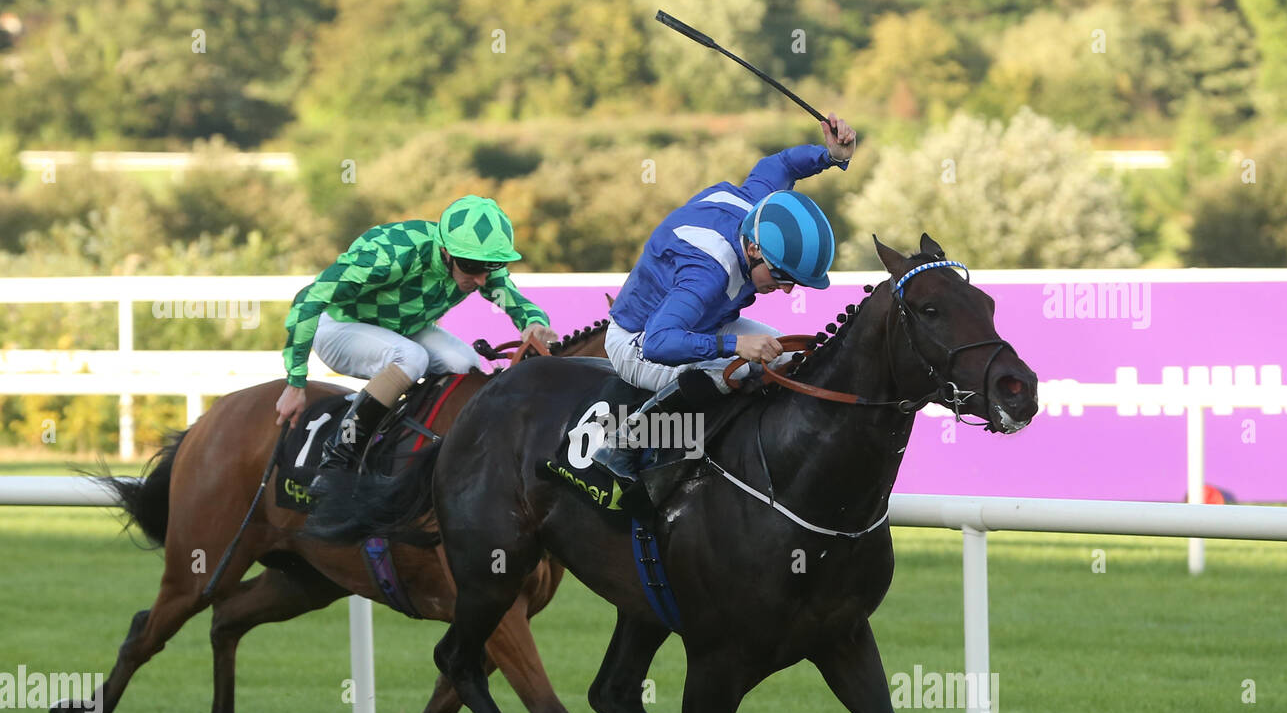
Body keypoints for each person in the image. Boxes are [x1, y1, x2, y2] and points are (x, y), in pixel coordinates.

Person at [594, 115, 857, 484]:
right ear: (753, 249)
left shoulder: (757, 208)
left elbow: (780, 165)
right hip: (639, 340)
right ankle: (623, 443)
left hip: (698, 322)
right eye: (782, 277)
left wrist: (829, 156)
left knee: (787, 353)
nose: (786, 290)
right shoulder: (707, 274)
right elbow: (658, 342)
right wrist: (735, 345)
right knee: (732, 367)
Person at [273, 196, 557, 475]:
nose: (482, 279)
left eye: (490, 267)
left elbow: (517, 304)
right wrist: (296, 383)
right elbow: (308, 301)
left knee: (465, 364)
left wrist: (534, 324)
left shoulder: (473, 258)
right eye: (471, 268)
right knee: (411, 357)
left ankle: (423, 446)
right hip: (339, 325)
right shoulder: (390, 255)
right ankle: (339, 454)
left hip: (403, 328)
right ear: (445, 251)